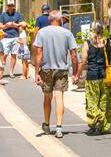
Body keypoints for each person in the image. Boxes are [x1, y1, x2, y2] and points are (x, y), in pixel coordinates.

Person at [32, 10, 79, 138]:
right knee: (59, 96)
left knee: (47, 96)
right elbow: (74, 55)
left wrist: (36, 72)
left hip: (46, 69)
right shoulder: (67, 33)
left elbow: (38, 54)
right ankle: (59, 127)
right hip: (62, 69)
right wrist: (75, 73)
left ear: (49, 20)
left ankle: (47, 124)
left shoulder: (42, 32)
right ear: (61, 20)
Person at [82, 23, 111, 135]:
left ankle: (95, 123)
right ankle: (101, 125)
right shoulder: (109, 42)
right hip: (106, 77)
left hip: (92, 76)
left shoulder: (87, 44)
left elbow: (83, 61)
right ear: (102, 30)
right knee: (104, 101)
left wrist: (78, 74)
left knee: (92, 101)